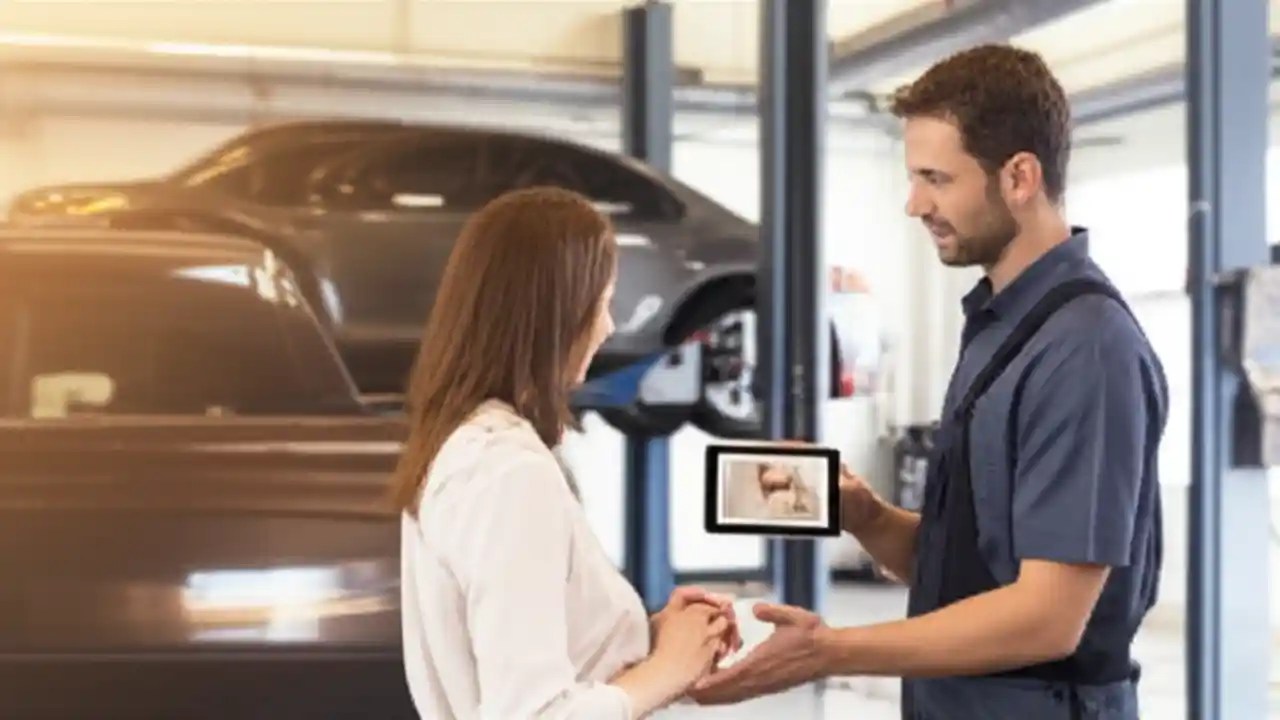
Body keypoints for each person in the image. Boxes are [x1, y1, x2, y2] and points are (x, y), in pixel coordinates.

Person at [687, 43, 1169, 720]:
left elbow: (1048, 618)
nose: (914, 203)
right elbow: (973, 579)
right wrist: (865, 516)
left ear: (1019, 177)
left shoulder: (1085, 348)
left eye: (936, 178)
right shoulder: (1000, 326)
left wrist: (829, 650)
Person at [389, 186, 743, 719]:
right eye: (603, 304)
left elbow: (529, 654)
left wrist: (648, 637)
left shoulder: (466, 447)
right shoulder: (508, 473)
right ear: (557, 314)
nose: (609, 327)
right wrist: (668, 670)